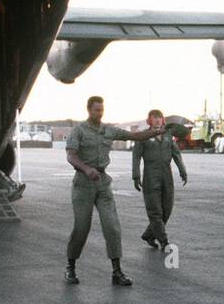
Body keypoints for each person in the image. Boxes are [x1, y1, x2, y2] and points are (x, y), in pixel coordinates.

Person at [65, 96, 163, 286]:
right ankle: (70, 267)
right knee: (81, 228)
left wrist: (156, 132)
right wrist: (86, 169)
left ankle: (117, 272)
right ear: (88, 110)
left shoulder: (108, 130)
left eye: (101, 110)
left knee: (112, 227)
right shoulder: (79, 131)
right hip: (83, 184)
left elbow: (134, 136)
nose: (99, 113)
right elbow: (70, 155)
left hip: (102, 183)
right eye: (96, 110)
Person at [132, 109, 187, 250]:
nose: (157, 120)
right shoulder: (143, 136)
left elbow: (176, 154)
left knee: (167, 209)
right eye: (154, 117)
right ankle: (164, 241)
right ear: (148, 120)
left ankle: (149, 235)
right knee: (155, 211)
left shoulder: (168, 135)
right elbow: (136, 157)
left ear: (163, 120)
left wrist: (182, 171)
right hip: (151, 176)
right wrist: (136, 175)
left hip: (166, 175)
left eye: (159, 117)